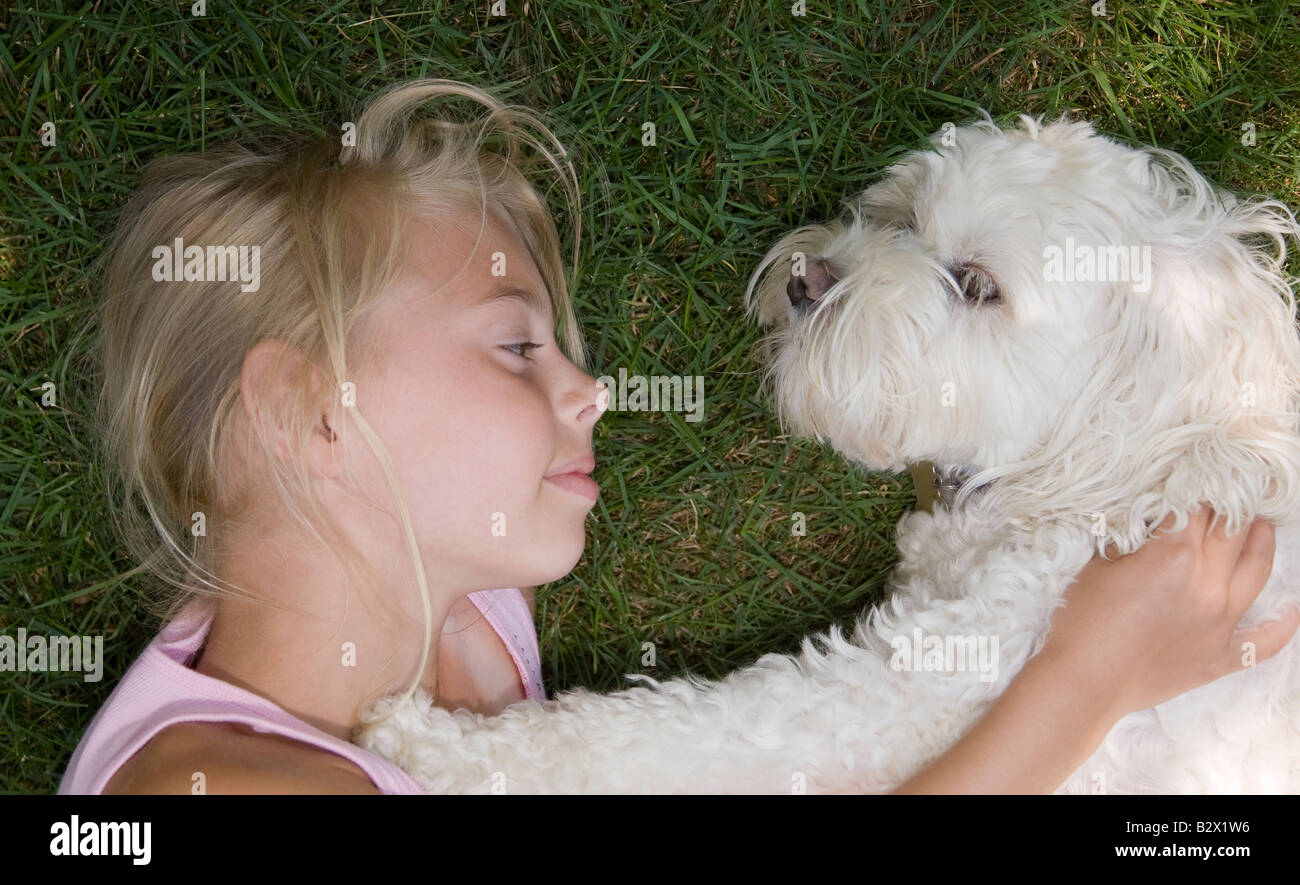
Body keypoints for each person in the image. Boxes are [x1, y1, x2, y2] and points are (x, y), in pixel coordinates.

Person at [57, 79, 1300, 795]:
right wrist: (1089, 677)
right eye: (516, 346)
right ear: (310, 415)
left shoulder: (437, 586)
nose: (594, 389)